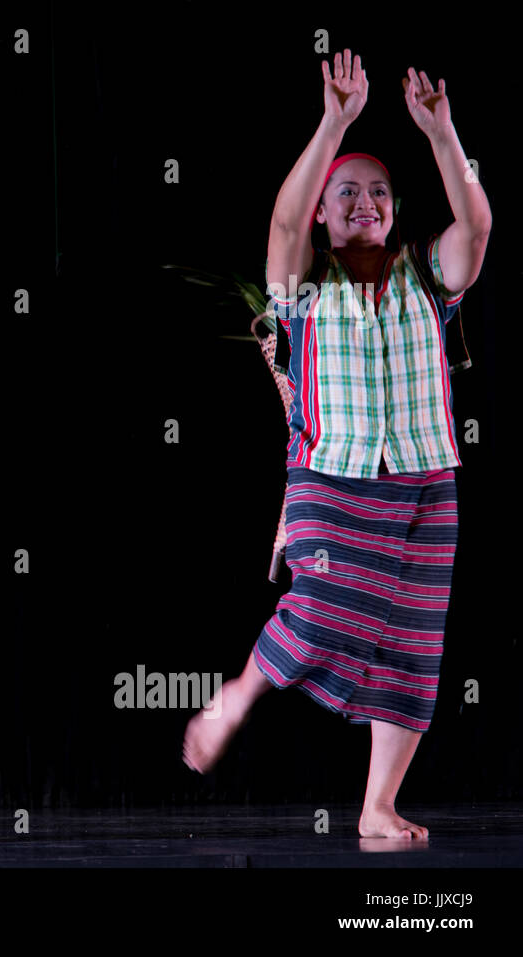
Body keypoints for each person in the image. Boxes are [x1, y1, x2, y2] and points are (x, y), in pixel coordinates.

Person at [183, 51, 491, 840]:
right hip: (329, 473)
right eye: (345, 194)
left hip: (426, 477)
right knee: (320, 607)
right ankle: (237, 697)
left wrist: (442, 132)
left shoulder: (428, 276)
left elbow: (477, 225)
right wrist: (334, 125)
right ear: (325, 214)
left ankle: (377, 806)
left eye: (378, 194)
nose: (364, 203)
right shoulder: (302, 291)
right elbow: (283, 224)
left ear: (394, 213)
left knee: (417, 644)